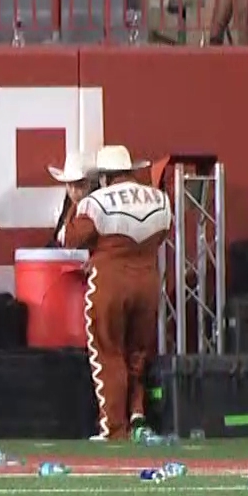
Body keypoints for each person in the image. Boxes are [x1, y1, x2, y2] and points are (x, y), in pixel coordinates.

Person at [63, 144, 171, 440]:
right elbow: (163, 235)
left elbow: (70, 238)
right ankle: (138, 415)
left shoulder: (95, 202)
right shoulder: (159, 198)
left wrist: (75, 203)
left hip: (109, 282)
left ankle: (113, 427)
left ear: (104, 177)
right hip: (148, 282)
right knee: (137, 353)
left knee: (107, 352)